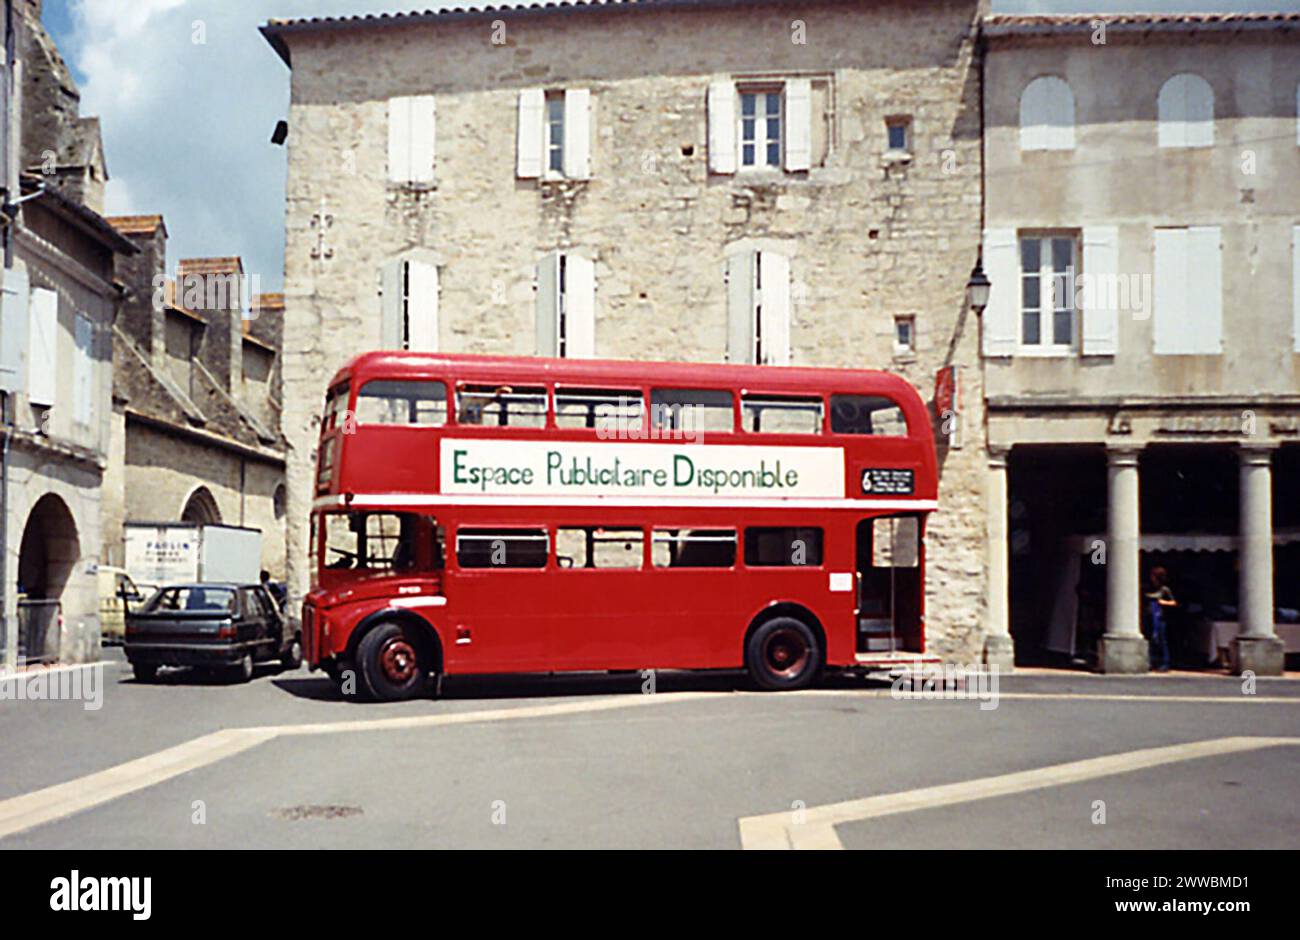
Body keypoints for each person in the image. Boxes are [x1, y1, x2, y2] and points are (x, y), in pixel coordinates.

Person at [1144, 566, 1177, 672]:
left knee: (1161, 640)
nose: (1151, 578)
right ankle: (1152, 661)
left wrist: (1163, 602)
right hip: (1149, 616)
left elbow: (1174, 602)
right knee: (1151, 640)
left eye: (1153, 576)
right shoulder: (1149, 587)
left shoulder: (1164, 589)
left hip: (1159, 617)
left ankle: (1165, 662)